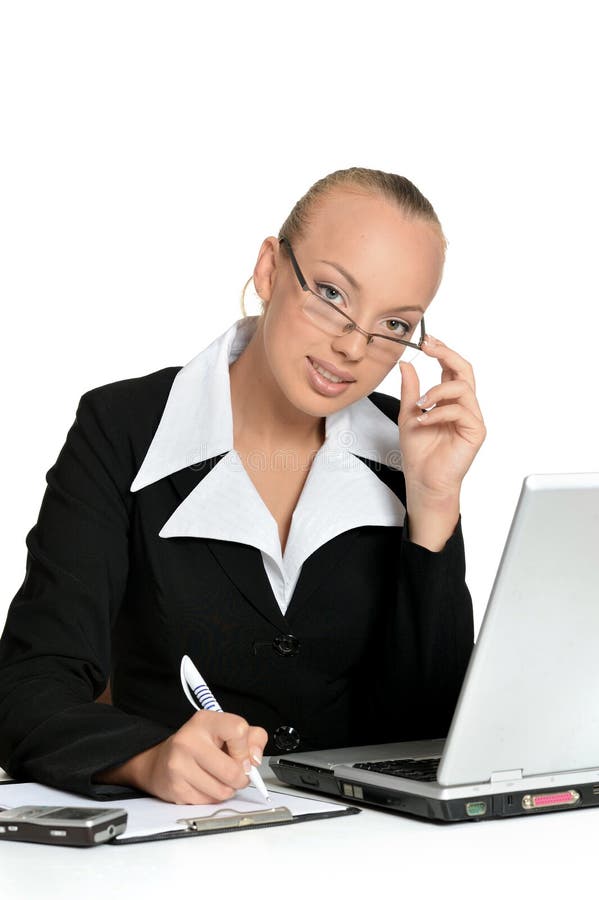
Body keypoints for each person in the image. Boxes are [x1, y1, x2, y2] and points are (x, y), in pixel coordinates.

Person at [0, 167, 486, 805]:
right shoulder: (122, 430)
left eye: (394, 325)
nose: (352, 346)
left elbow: (438, 739)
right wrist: (146, 760)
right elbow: (28, 688)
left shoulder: (407, 446)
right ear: (269, 270)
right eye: (334, 294)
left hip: (364, 852)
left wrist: (433, 506)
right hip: (178, 851)